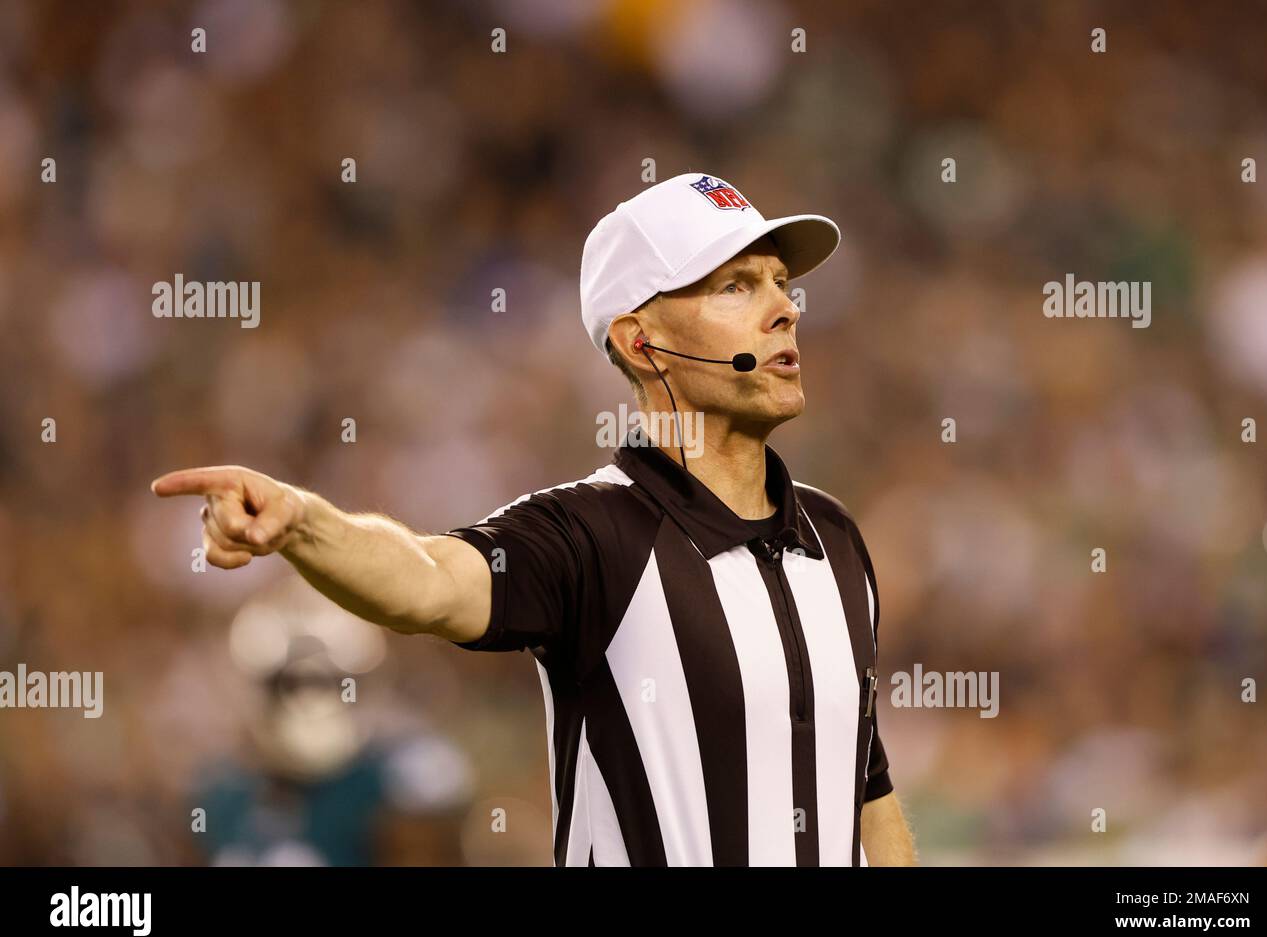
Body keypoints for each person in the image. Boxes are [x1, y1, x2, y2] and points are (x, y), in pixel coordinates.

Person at [152, 172, 917, 867]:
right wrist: (304, 525)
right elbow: (429, 580)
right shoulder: (593, 535)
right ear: (640, 343)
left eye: (781, 283)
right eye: (736, 288)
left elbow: (864, 786)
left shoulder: (834, 537)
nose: (786, 309)